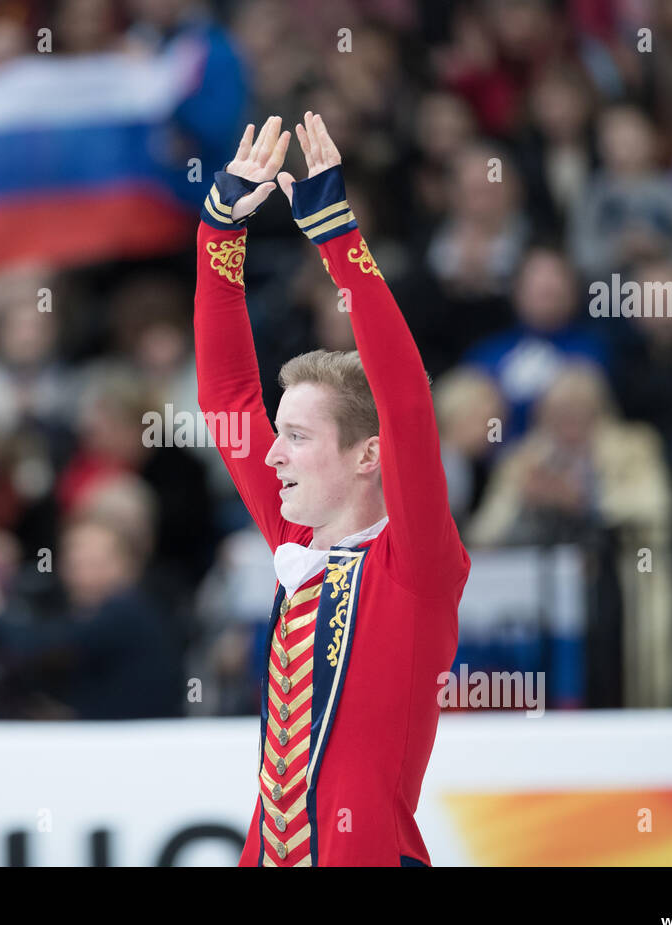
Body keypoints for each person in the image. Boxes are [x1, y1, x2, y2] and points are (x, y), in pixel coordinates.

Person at [194, 114, 471, 866]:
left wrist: (339, 240)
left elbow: (406, 399)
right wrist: (219, 234)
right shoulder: (295, 544)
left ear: (367, 457)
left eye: (300, 438)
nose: (272, 455)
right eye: (279, 434)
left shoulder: (414, 566)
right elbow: (226, 396)